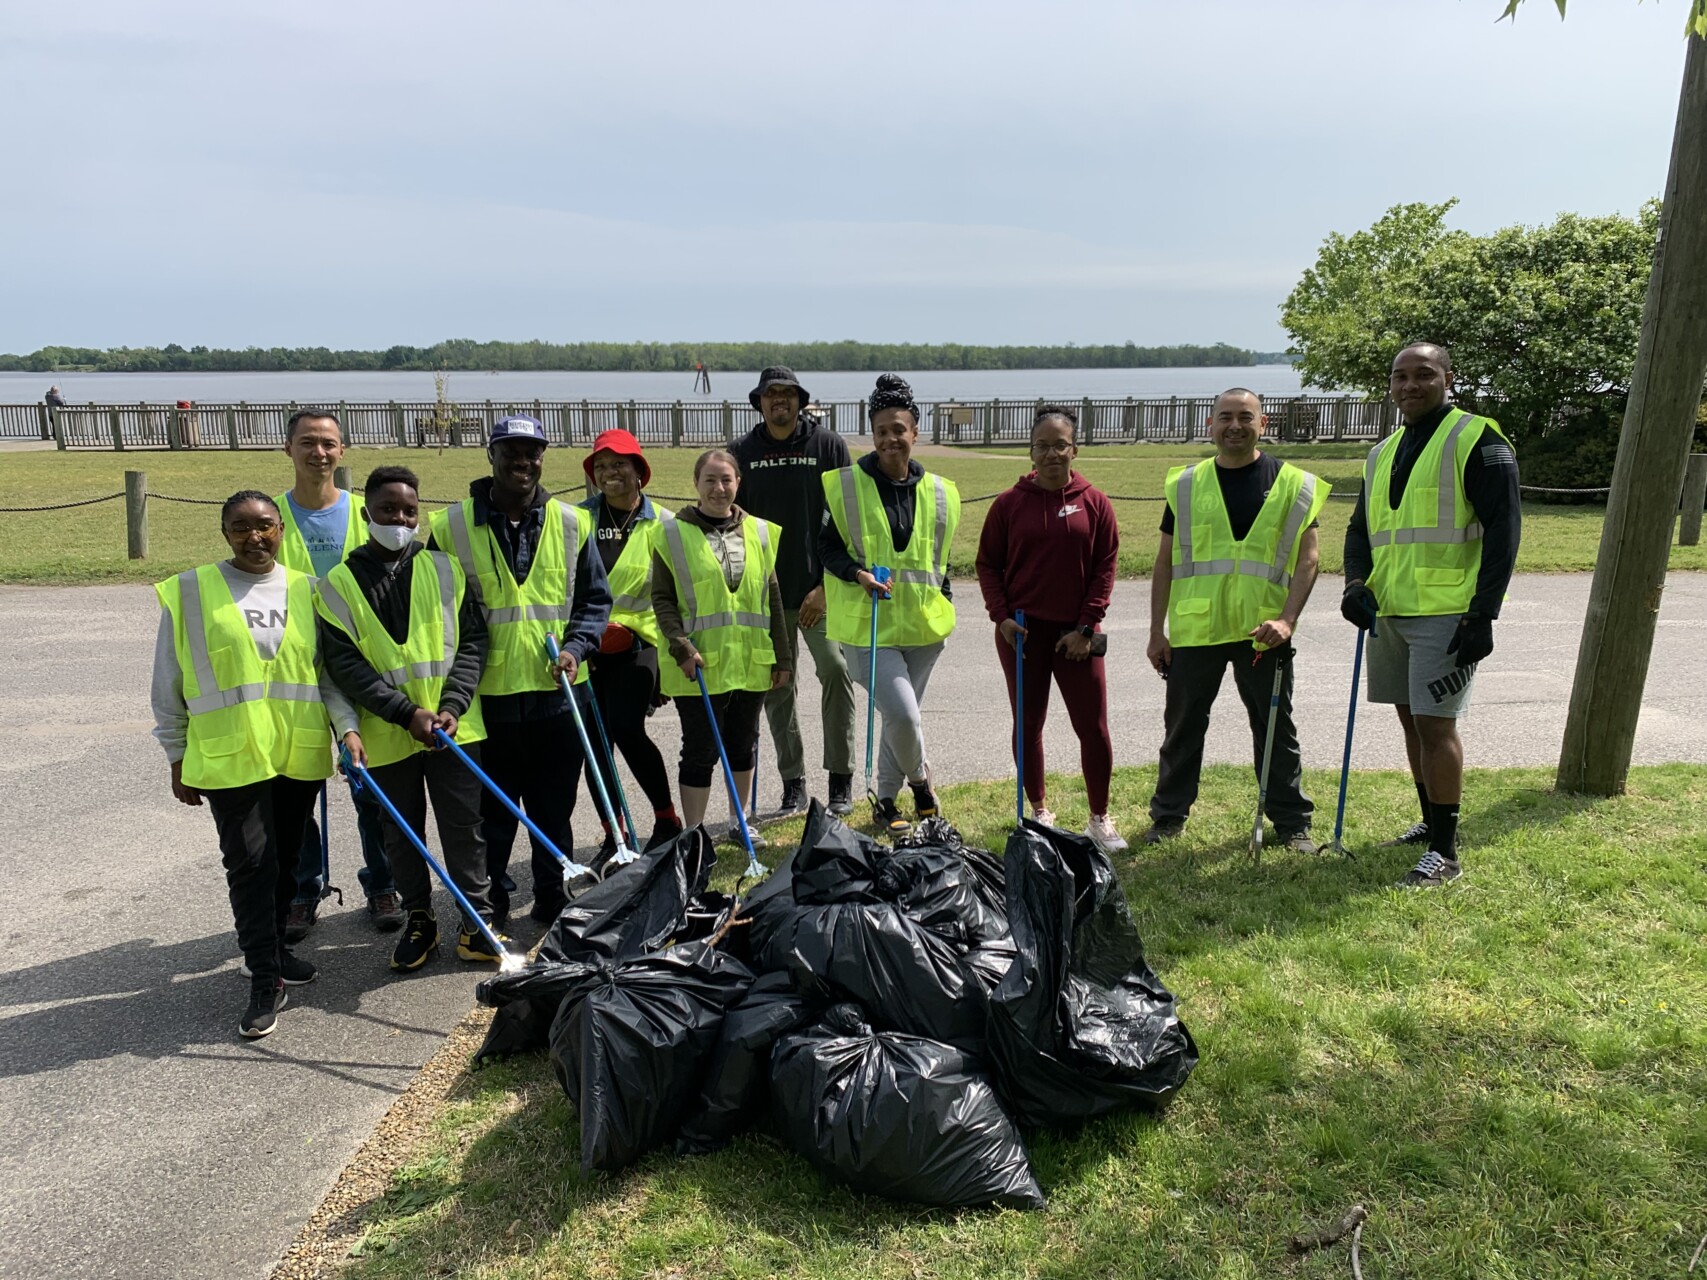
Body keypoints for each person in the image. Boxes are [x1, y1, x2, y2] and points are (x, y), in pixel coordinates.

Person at [151, 491, 354, 1039]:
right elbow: (167, 683)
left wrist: (346, 729)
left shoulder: (308, 591)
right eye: (241, 527)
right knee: (249, 864)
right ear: (225, 533)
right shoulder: (191, 592)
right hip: (229, 756)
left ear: (281, 530)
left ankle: (278, 955)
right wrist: (176, 753)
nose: (254, 536)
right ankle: (264, 976)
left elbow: (326, 675)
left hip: (295, 752)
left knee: (287, 860)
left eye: (264, 525)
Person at [1342, 342, 1520, 888]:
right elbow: (1359, 528)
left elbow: (1505, 530)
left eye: (1424, 374)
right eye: (1400, 376)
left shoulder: (1478, 438)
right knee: (1409, 719)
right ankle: (1430, 820)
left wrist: (1483, 613)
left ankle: (1445, 853)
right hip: (1391, 611)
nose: (1410, 385)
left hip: (1449, 612)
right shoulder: (1383, 450)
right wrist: (1354, 583)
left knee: (1435, 725)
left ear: (1448, 378)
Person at [427, 414, 611, 923]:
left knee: (554, 810)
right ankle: (492, 907)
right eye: (511, 451)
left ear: (542, 458)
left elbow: (595, 602)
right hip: (488, 701)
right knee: (494, 815)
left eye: (532, 452)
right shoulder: (450, 527)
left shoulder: (573, 523)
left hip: (561, 697)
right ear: (491, 455)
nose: (522, 462)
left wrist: (576, 648)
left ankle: (553, 898)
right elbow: (437, 614)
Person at [316, 466, 501, 971]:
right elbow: (346, 666)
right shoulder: (336, 585)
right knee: (401, 835)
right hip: (388, 736)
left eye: (409, 511)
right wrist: (406, 713)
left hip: (453, 728)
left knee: (465, 828)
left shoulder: (446, 568)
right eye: (388, 510)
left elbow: (472, 643)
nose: (399, 518)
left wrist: (452, 706)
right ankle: (420, 919)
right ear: (366, 513)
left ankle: (476, 920)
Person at [1144, 388, 1330, 850]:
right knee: (1182, 728)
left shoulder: (1294, 484)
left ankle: (1291, 824)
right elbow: (1164, 562)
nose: (1234, 425)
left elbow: (1309, 560)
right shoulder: (1185, 484)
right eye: (1225, 417)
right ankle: (1168, 817)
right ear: (1210, 425)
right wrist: (1155, 631)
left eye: (1245, 417)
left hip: (1263, 634)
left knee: (1274, 730)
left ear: (1262, 424)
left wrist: (1287, 620)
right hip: (1196, 630)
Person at [273, 408, 399, 941]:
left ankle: (383, 883)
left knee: (369, 784)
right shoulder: (269, 514)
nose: (318, 453)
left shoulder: (359, 512)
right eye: (308, 443)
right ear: (289, 449)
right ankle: (304, 888)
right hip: (295, 667)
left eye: (328, 443)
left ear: (342, 451)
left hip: (355, 663)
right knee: (298, 785)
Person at [976, 405, 1123, 851]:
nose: (1052, 453)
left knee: (1093, 727)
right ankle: (1039, 812)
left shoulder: (1094, 502)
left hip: (1076, 635)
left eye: (1061, 444)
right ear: (1031, 452)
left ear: (1074, 449)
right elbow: (988, 564)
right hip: (1022, 633)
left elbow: (1105, 567)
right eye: (1043, 445)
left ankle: (1099, 818)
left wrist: (1086, 626)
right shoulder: (1008, 504)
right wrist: (1000, 616)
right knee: (1029, 724)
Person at [818, 374, 960, 836]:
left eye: (898, 429)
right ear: (872, 435)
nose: (890, 440)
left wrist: (945, 595)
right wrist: (857, 575)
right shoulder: (844, 486)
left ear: (914, 431)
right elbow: (825, 549)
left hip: (923, 628)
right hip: (868, 628)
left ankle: (883, 800)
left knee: (900, 719)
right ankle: (921, 785)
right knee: (902, 714)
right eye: (881, 431)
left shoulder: (940, 491)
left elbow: (938, 556)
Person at [731, 366, 857, 816]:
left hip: (820, 590)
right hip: (767, 593)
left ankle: (840, 779)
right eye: (771, 395)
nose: (778, 401)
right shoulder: (741, 452)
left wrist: (826, 584)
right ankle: (793, 782)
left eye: (787, 394)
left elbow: (846, 520)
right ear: (760, 402)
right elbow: (733, 523)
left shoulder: (827, 445)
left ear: (801, 400)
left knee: (836, 670)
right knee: (778, 686)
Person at [651, 448, 793, 837]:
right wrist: (680, 645)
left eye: (726, 480)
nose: (719, 488)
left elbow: (773, 599)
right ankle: (694, 834)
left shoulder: (760, 532)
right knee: (699, 749)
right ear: (695, 484)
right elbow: (661, 599)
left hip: (750, 660)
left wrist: (783, 658)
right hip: (697, 663)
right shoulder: (670, 534)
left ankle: (738, 821)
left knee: (742, 744)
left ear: (738, 484)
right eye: (710, 480)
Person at [577, 429, 682, 856]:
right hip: (586, 647)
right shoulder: (578, 520)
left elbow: (676, 597)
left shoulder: (667, 525)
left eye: (619, 463)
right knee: (593, 741)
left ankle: (666, 819)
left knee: (625, 727)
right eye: (600, 466)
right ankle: (614, 833)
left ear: (640, 470)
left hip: (641, 647)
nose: (609, 473)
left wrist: (634, 632)